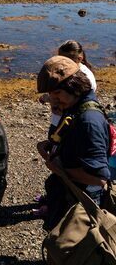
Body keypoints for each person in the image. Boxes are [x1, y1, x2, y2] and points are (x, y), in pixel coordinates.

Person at [36, 55, 110, 230]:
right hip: (67, 198)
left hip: (79, 206)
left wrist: (59, 169)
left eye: (57, 94)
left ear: (73, 86)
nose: (53, 99)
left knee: (69, 253)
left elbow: (99, 178)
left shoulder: (88, 120)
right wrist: (51, 146)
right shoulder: (75, 108)